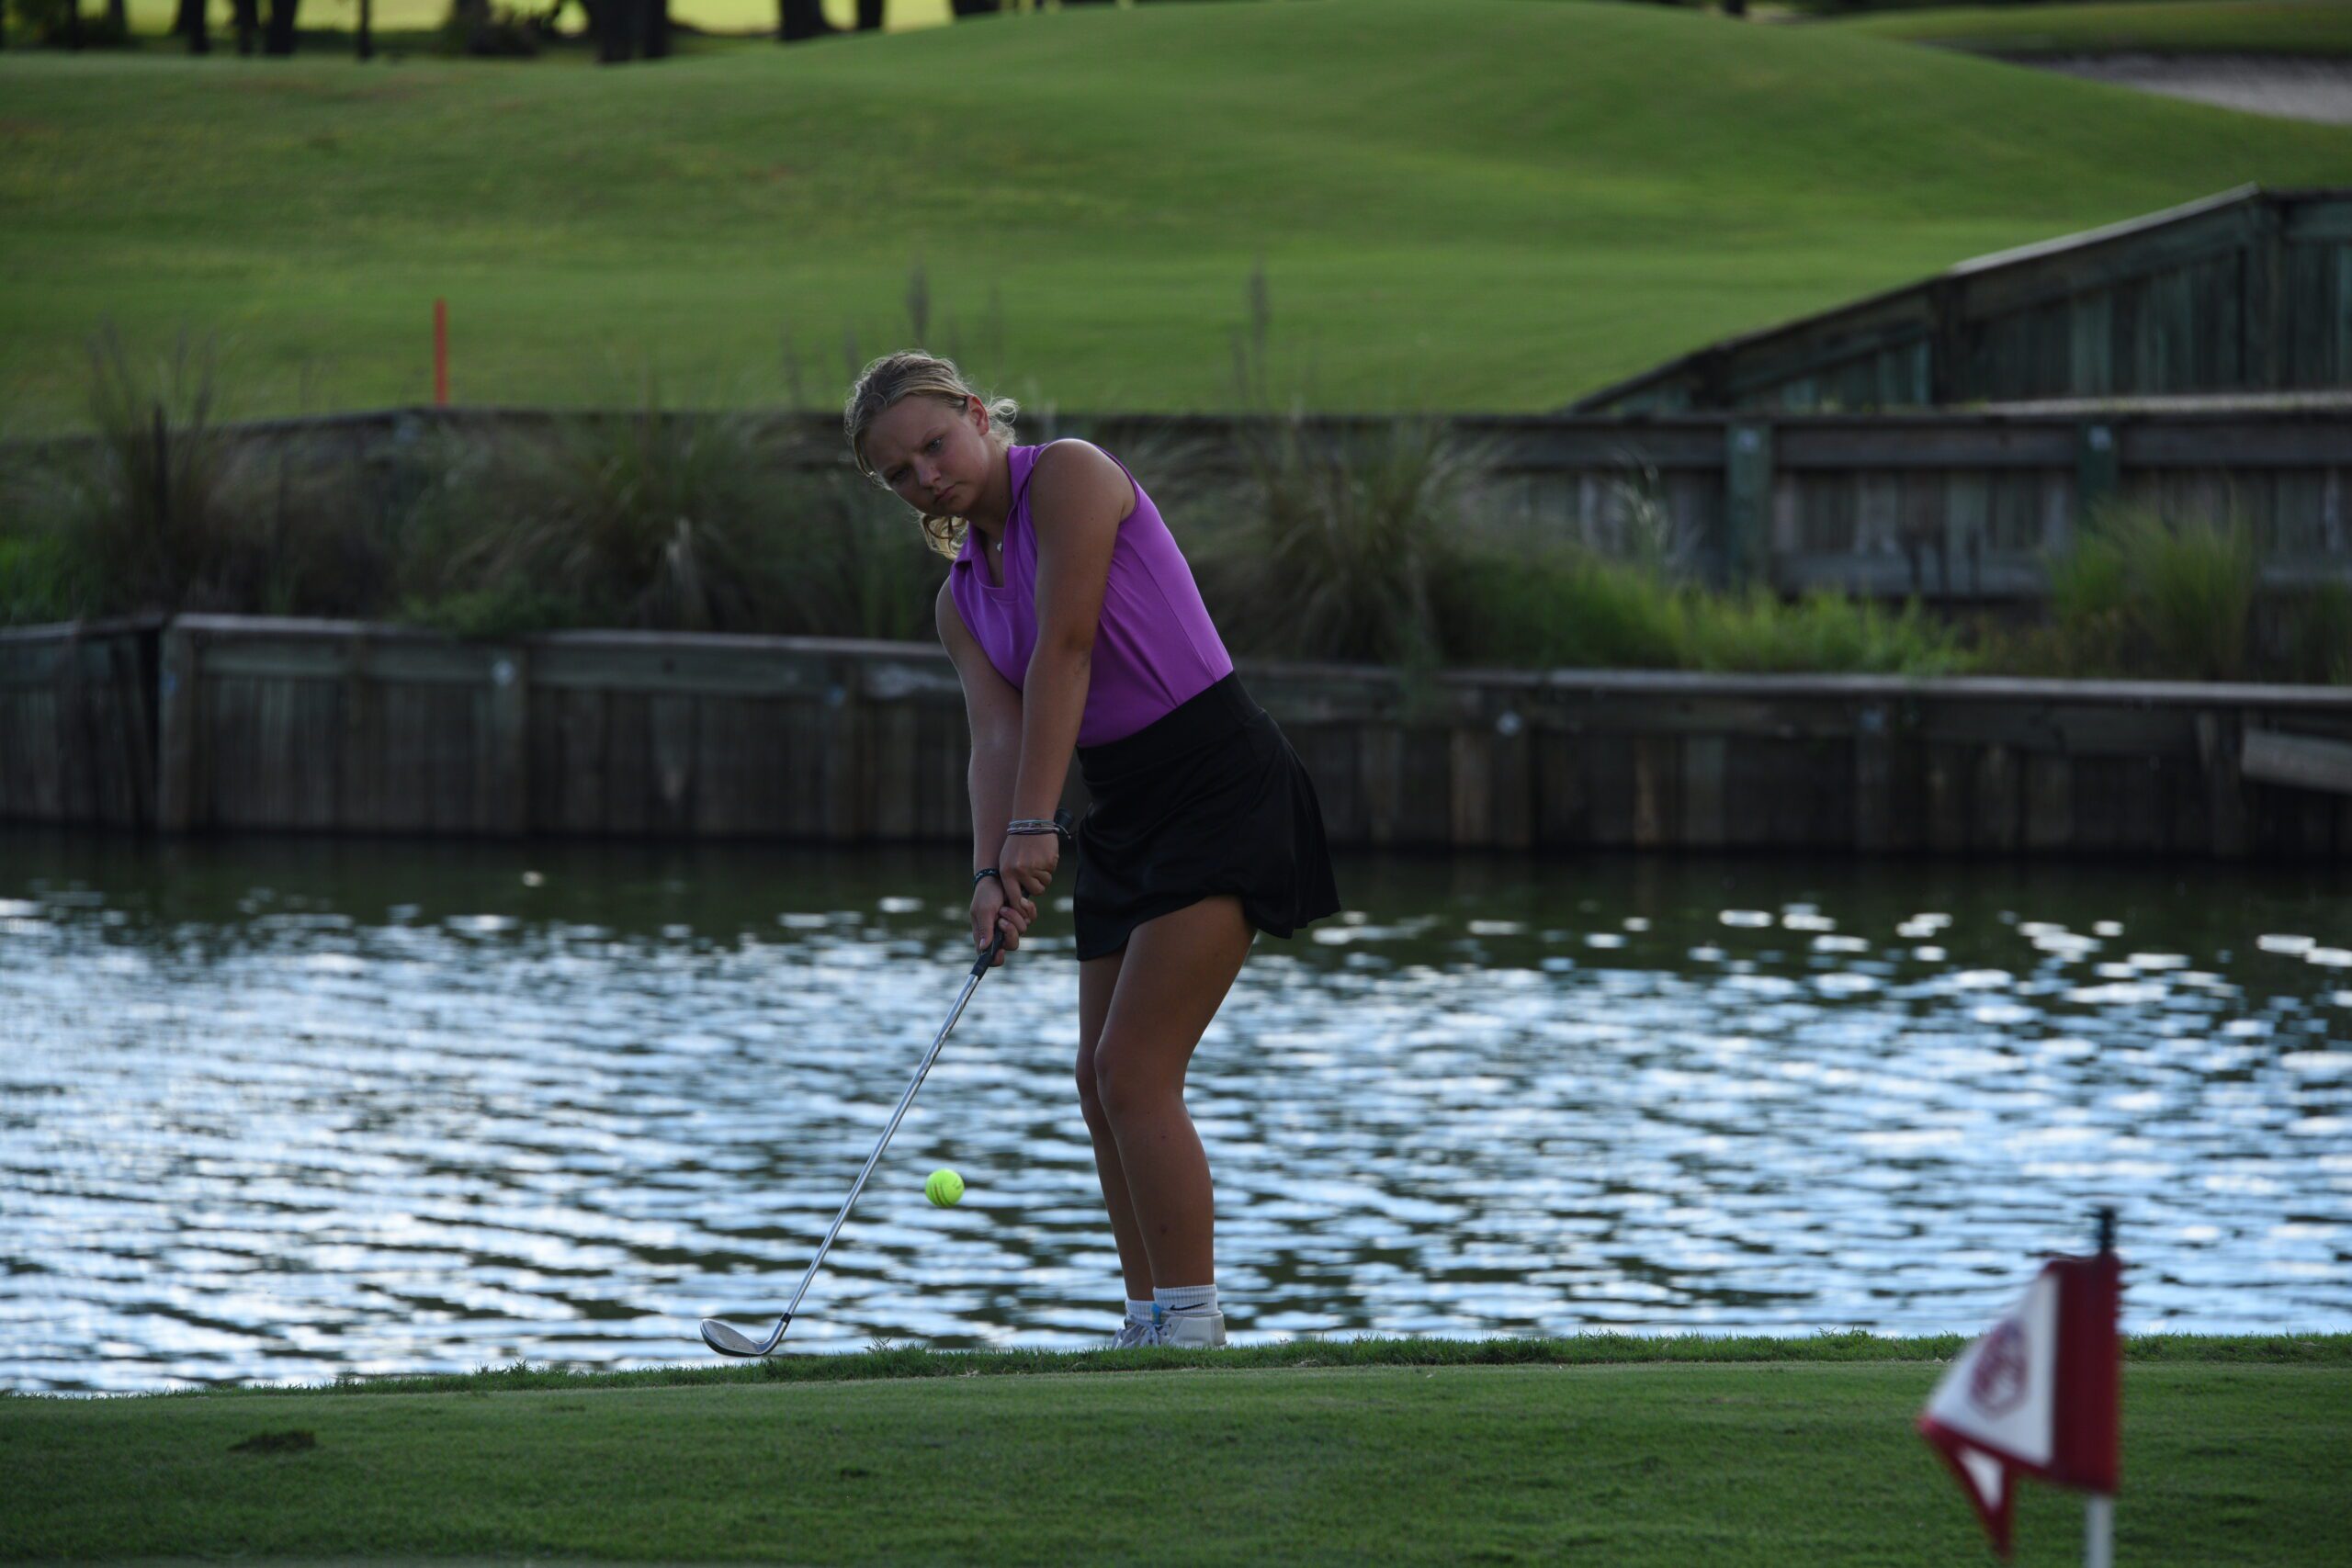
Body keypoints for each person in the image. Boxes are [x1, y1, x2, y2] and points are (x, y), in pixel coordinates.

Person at [846, 352, 1341, 1349]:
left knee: (1133, 1068)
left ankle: (1191, 1327)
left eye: (933, 445)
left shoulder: (1070, 475)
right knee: (1096, 1077)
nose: (925, 477)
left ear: (976, 415)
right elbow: (994, 737)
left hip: (1216, 779)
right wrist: (988, 873)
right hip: (1123, 804)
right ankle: (1147, 1322)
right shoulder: (958, 600)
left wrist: (1035, 828)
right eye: (898, 473)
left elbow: (1067, 649)